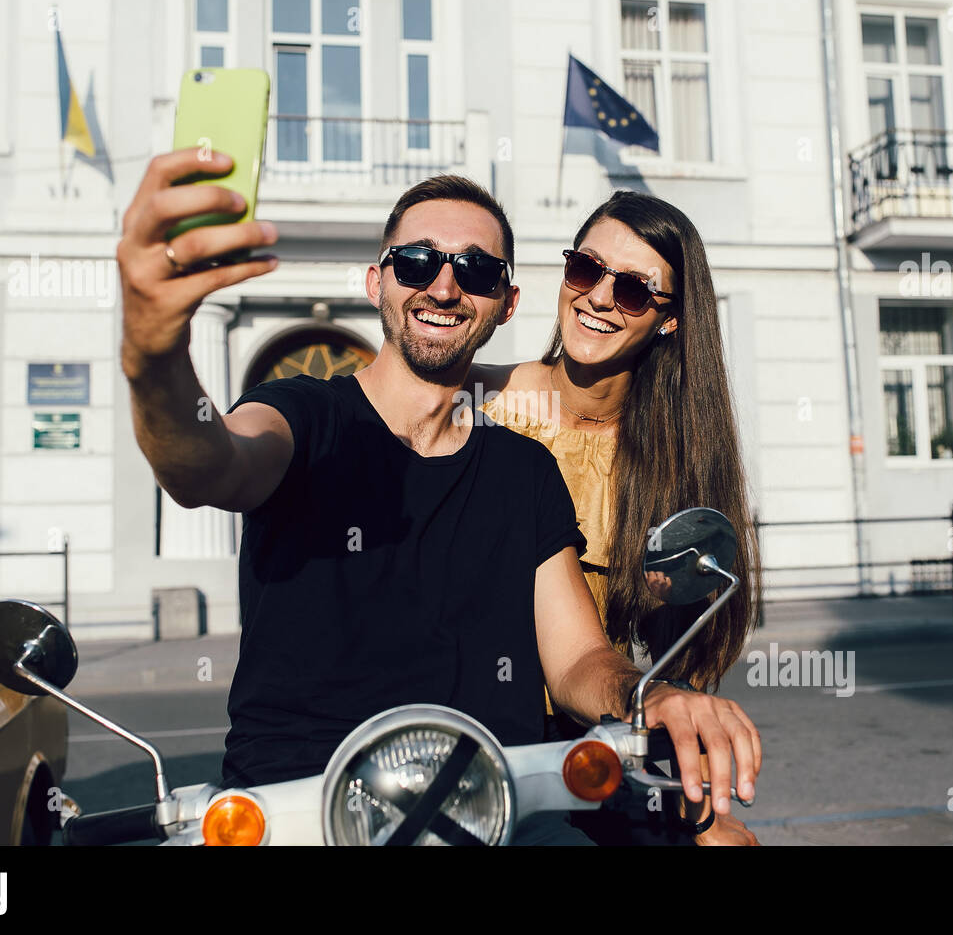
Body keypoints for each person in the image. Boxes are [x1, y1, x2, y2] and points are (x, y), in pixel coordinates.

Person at [116, 149, 761, 844]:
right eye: (417, 262)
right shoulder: (303, 416)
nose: (445, 287)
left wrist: (651, 694)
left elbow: (579, 659)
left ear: (507, 303)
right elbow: (208, 465)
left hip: (495, 810)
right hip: (300, 816)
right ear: (377, 281)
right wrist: (153, 352)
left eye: (477, 271)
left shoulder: (525, 469)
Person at [470, 190, 762, 846]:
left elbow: (678, 669)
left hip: (594, 749)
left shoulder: (674, 459)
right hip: (465, 739)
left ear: (670, 320)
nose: (599, 296)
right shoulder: (477, 403)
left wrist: (704, 814)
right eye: (585, 269)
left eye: (632, 289)